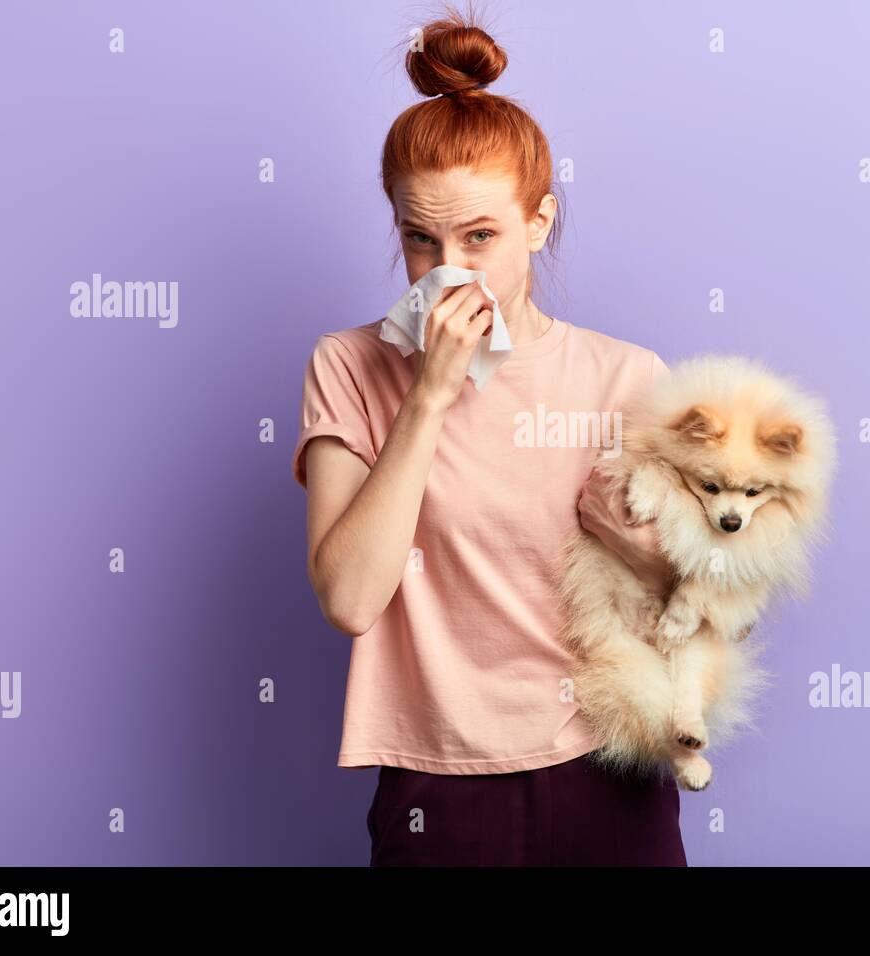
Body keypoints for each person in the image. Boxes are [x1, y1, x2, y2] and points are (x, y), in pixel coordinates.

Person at [291, 5, 682, 866]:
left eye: (481, 236)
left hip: (608, 759)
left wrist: (641, 543)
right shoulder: (350, 366)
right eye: (420, 240)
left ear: (538, 224)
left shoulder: (626, 377)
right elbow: (351, 599)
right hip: (437, 782)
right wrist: (428, 397)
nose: (450, 270)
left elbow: (700, 598)